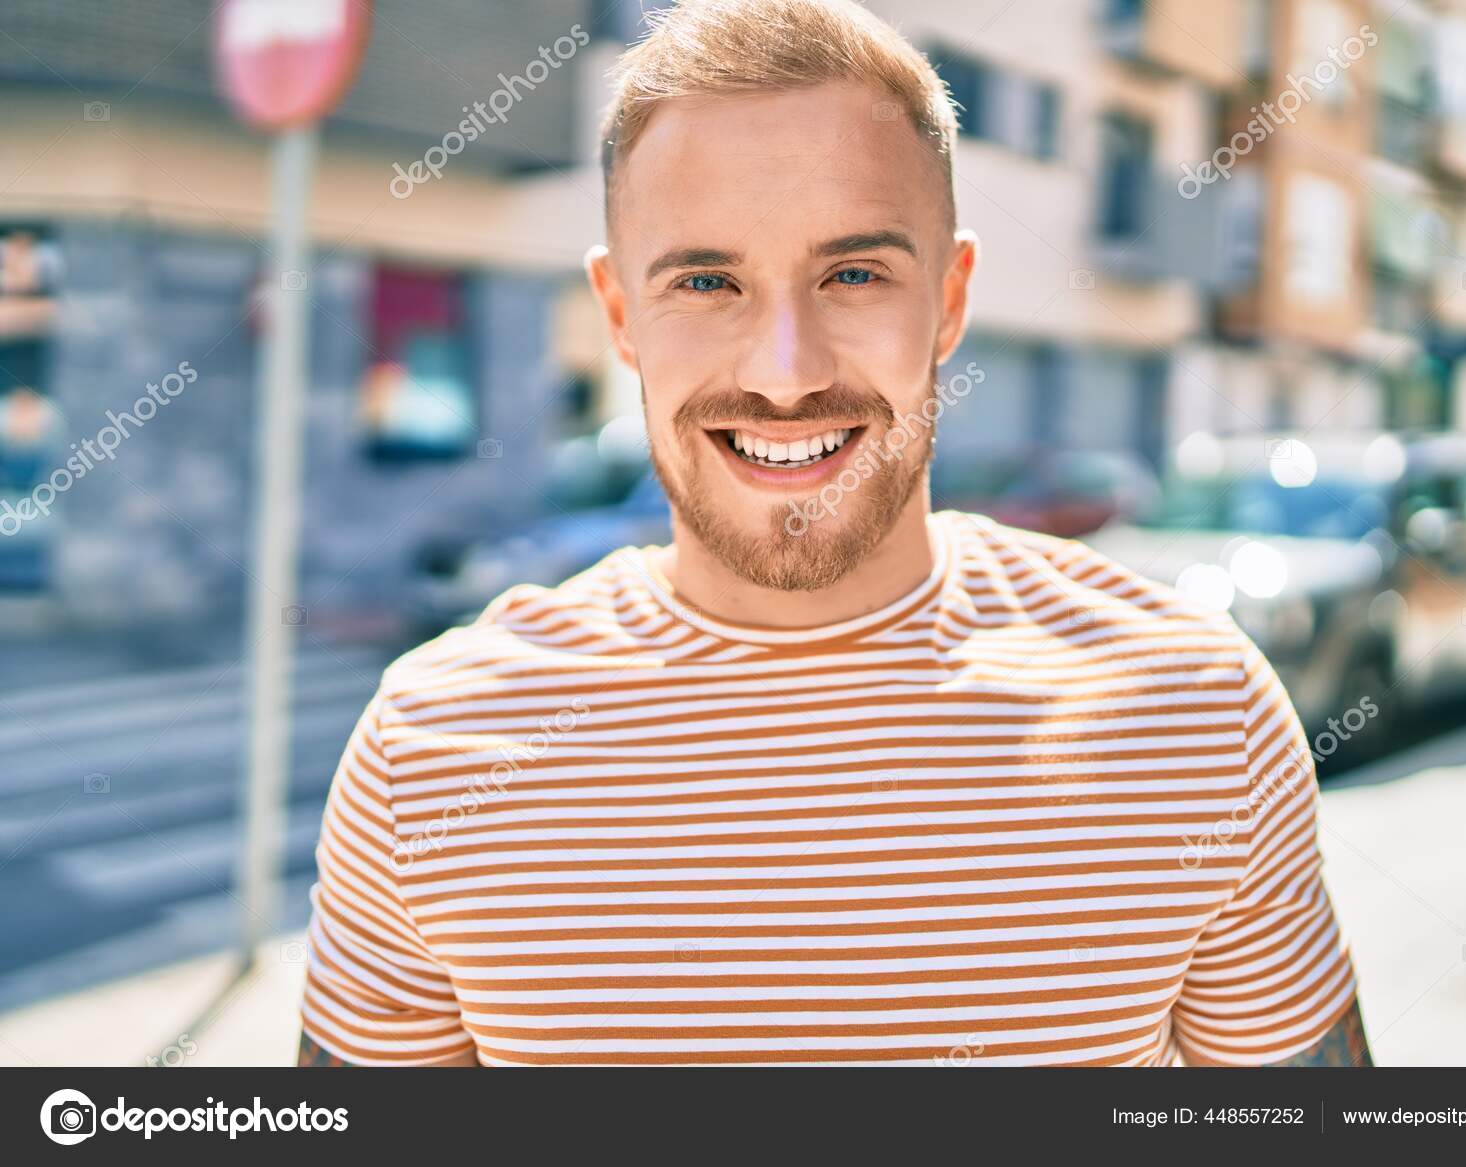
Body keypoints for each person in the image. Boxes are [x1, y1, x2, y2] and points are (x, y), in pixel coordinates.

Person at [298, 0, 1367, 1067]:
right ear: (621, 314)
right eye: (706, 282)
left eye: (853, 274)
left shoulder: (1192, 708)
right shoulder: (427, 755)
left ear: (948, 302)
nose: (785, 370)